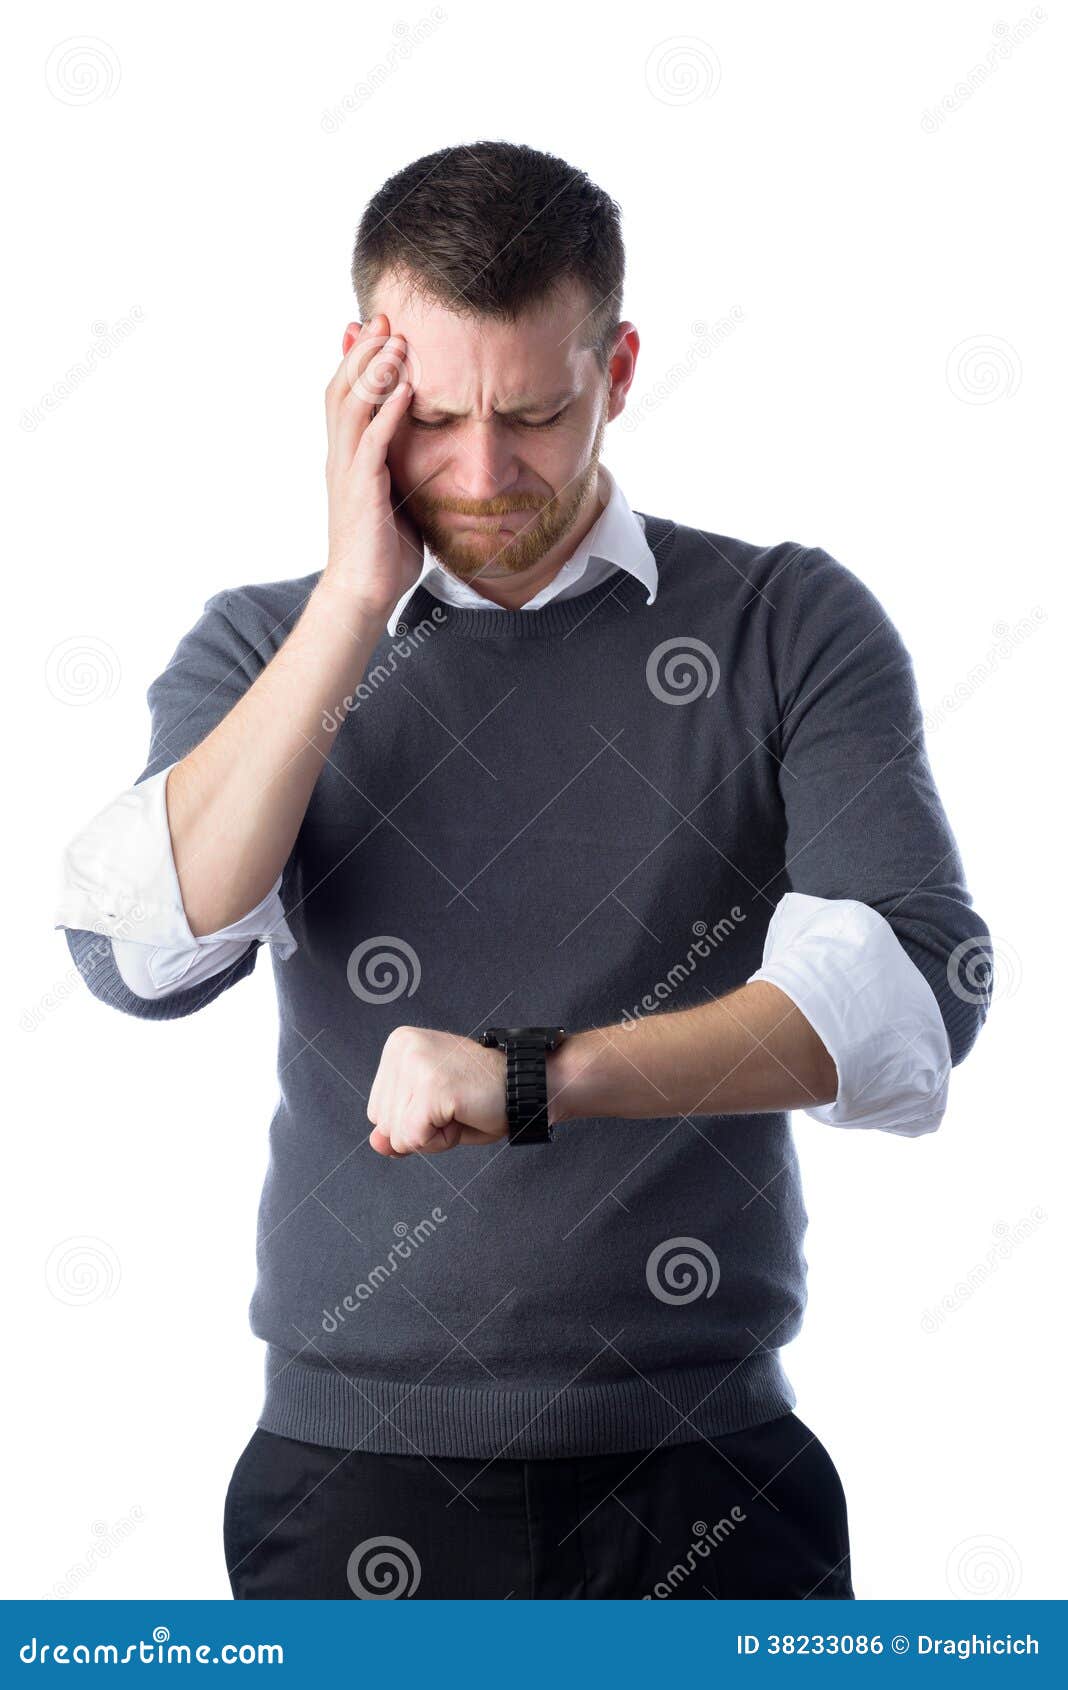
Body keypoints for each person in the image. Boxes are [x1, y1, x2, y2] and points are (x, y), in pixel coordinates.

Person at [54, 140, 992, 1600]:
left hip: (714, 1476)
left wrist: (536, 1075)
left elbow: (913, 995)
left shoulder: (784, 622)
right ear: (360, 381)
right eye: (431, 415)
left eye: (537, 413)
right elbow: (137, 956)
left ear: (616, 368)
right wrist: (356, 599)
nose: (484, 473)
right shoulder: (263, 647)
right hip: (349, 1480)